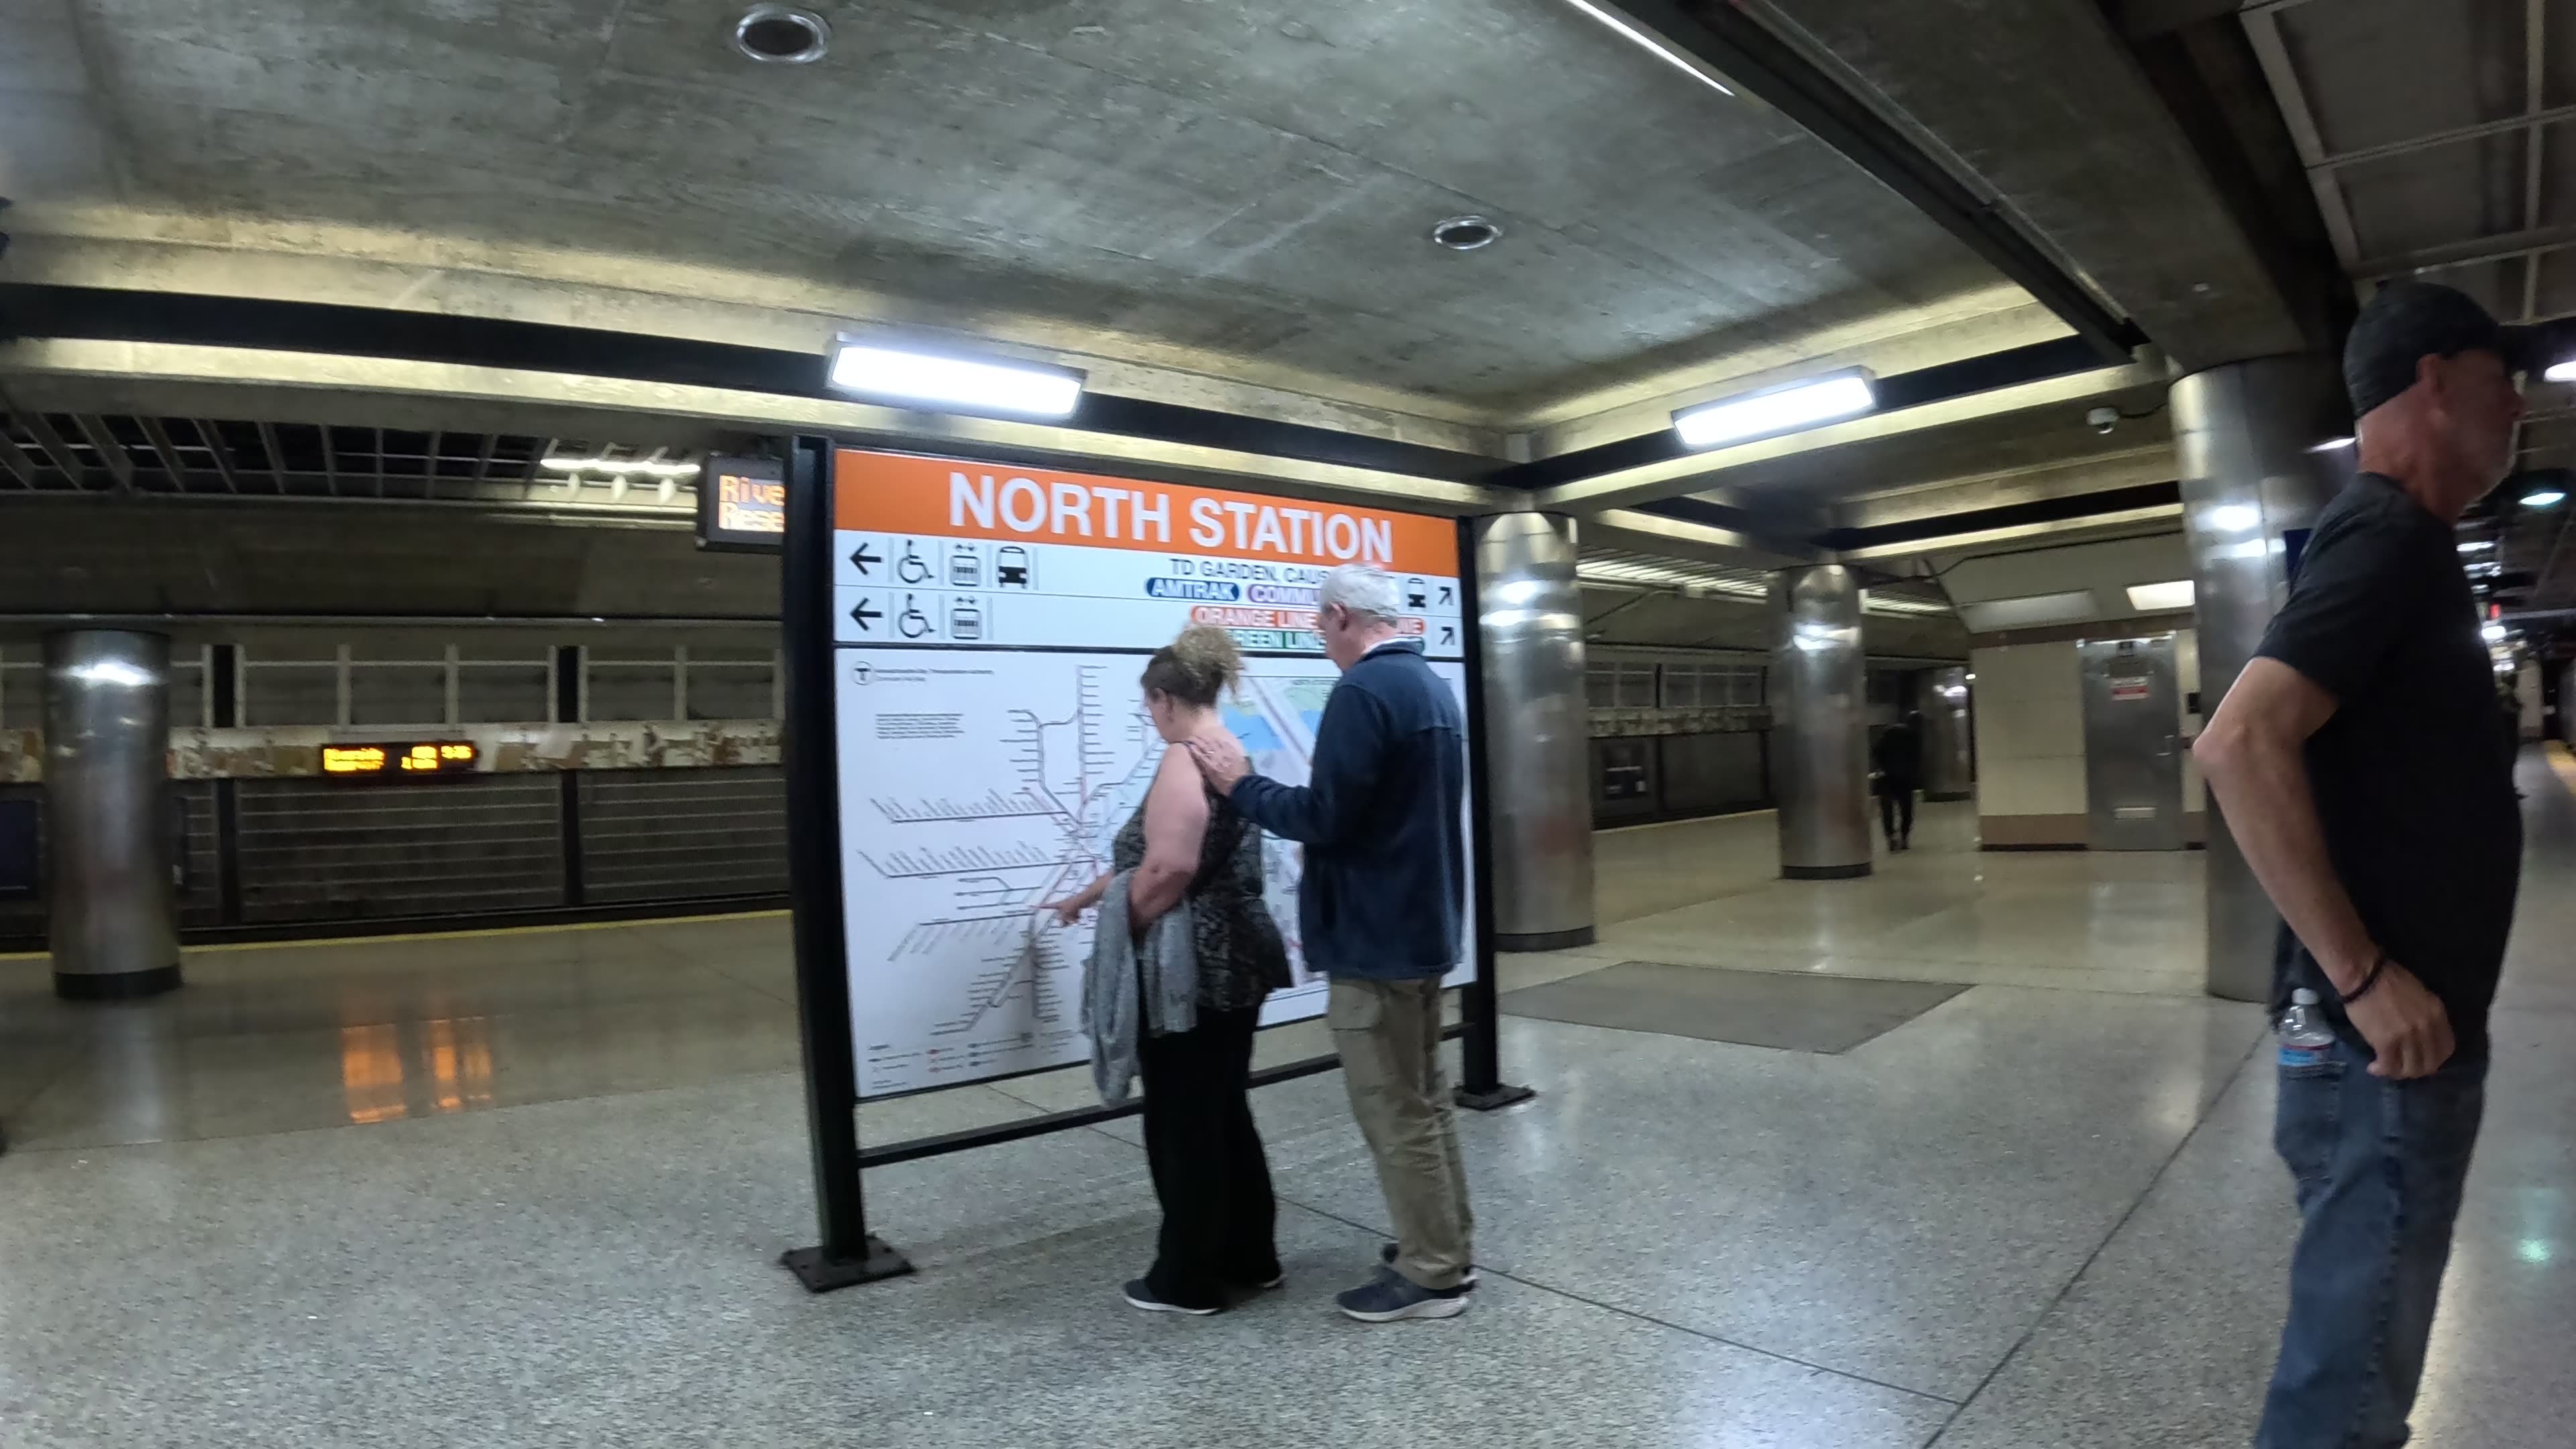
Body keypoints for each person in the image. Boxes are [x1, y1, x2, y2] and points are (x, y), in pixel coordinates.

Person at [2194, 280, 2536, 1449]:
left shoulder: (2401, 542)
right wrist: (2361, 976)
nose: (2520, 409)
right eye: (2503, 383)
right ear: (2434, 381)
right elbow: (2239, 742)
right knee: (2349, 1379)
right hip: (2383, 1042)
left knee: (2353, 1315)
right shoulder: (2390, 534)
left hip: (2339, 1035)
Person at [1185, 561, 1474, 1324]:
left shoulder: (1363, 693)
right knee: (1427, 1100)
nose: (1318, 634)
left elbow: (1326, 817)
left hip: (1375, 940)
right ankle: (1442, 1243)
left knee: (1393, 1109)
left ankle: (1432, 1273)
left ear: (1344, 616)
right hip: (1422, 928)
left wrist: (1241, 784)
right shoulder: (1428, 687)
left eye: (1320, 621)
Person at [1041, 625, 1291, 1316]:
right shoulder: (1227, 749)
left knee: (1183, 1124)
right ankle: (1252, 1257)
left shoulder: (1182, 759)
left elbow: (1170, 867)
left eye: (1148, 705)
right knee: (1223, 1113)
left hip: (1192, 971)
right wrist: (1088, 896)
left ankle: (1187, 1279)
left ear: (1162, 698)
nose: (1148, 717)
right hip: (1238, 960)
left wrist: (1129, 930)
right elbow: (1155, 859)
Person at [1874, 710, 1924, 851]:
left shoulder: (1889, 732)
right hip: (1905, 778)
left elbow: (1877, 751)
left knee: (1887, 810)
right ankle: (1904, 838)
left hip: (1887, 777)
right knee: (1906, 810)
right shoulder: (1914, 736)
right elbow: (1916, 759)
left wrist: (1882, 767)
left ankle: (1891, 837)